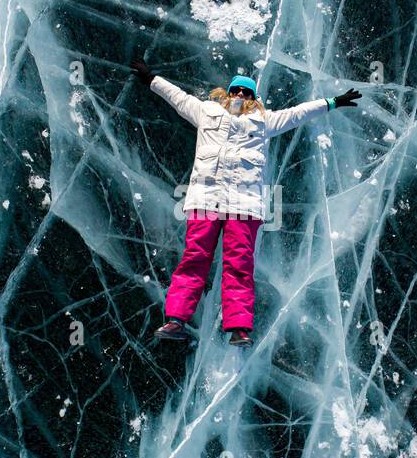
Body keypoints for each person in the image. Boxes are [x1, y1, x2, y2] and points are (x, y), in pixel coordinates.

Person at [131, 56, 361, 347]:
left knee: (238, 266)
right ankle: (176, 319)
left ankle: (239, 328)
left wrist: (333, 102)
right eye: (236, 91)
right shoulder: (206, 112)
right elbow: (178, 97)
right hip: (206, 202)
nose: (240, 96)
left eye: (247, 93)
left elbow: (298, 113)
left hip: (244, 207)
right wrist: (151, 78)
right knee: (194, 260)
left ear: (254, 99)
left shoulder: (264, 121)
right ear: (228, 95)